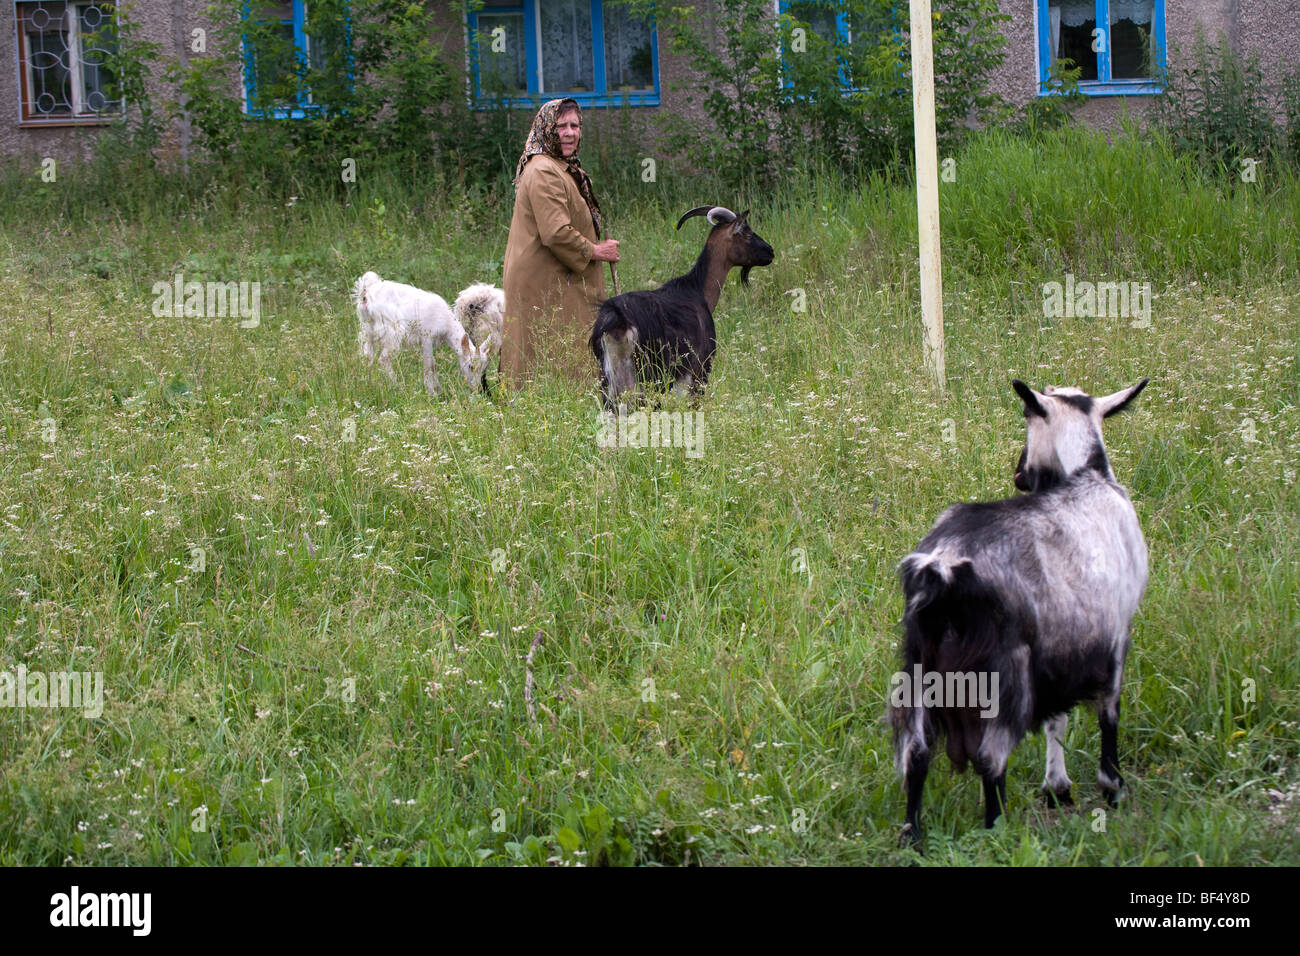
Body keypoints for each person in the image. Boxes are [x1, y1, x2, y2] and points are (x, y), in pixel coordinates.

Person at [501, 98, 620, 388]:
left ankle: (552, 402)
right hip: (545, 278)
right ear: (546, 129)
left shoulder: (558, 166)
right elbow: (555, 232)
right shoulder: (543, 170)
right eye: (561, 126)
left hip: (556, 275)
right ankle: (544, 407)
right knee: (547, 344)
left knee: (555, 343)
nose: (569, 132)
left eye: (575, 125)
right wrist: (595, 250)